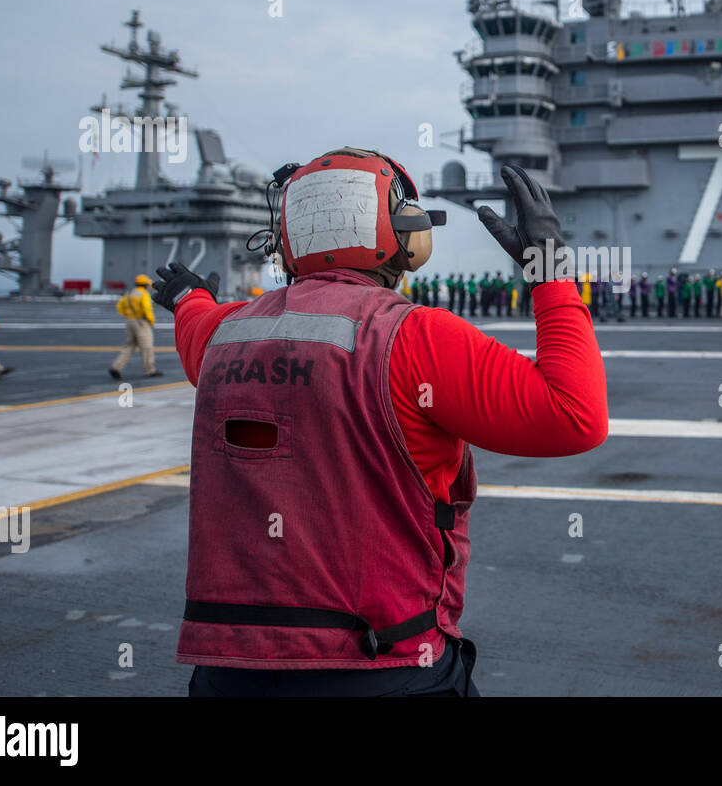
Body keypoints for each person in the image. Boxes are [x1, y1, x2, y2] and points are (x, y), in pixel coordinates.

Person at [158, 151, 607, 697]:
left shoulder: (222, 337)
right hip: (381, 665)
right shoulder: (415, 337)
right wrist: (550, 269)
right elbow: (575, 416)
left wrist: (188, 295)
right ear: (404, 238)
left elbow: (194, 324)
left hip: (227, 671)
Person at [109, 274, 163, 379]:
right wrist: (151, 321)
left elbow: (120, 306)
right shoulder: (143, 294)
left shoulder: (130, 293)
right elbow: (147, 309)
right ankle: (149, 370)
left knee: (129, 346)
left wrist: (128, 315)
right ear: (145, 284)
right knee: (147, 347)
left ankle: (116, 367)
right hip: (141, 322)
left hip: (130, 321)